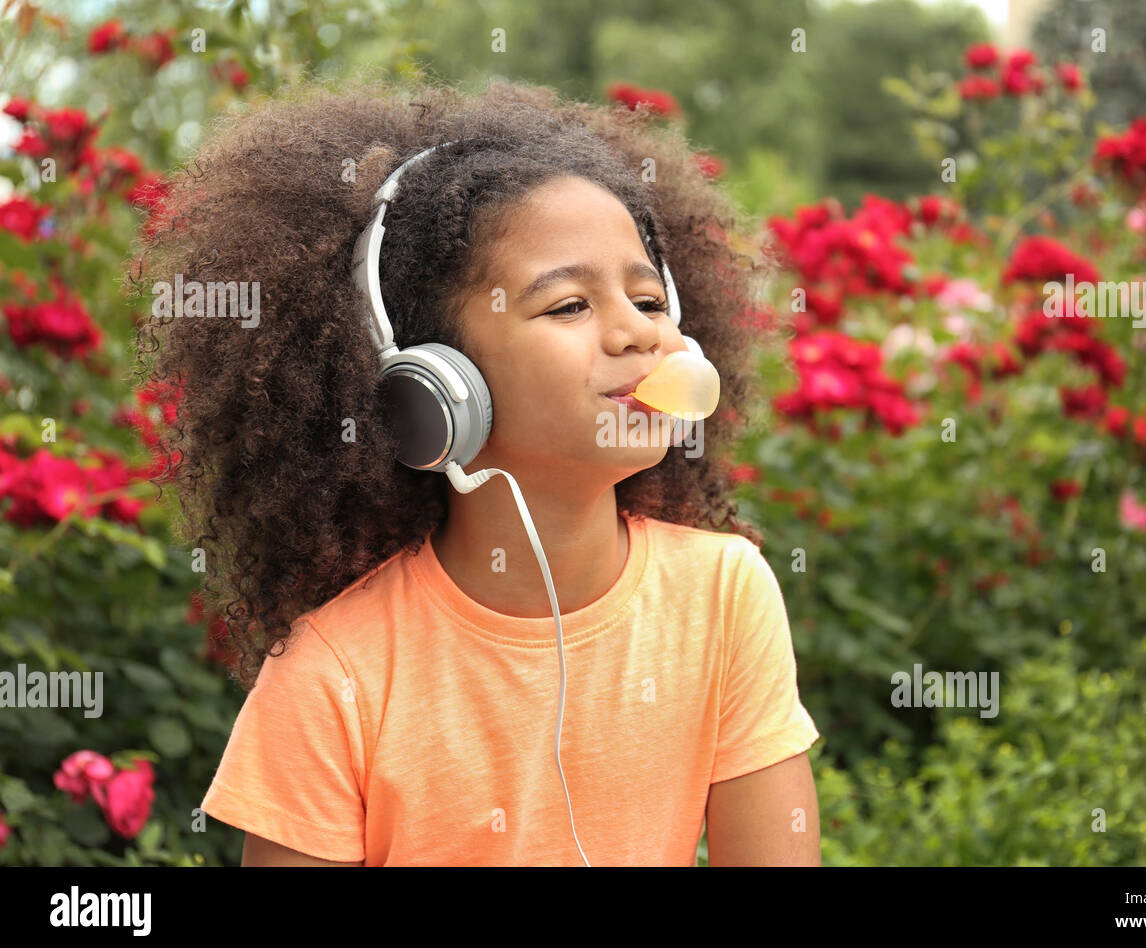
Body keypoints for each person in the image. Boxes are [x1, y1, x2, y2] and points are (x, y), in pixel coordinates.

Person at [134, 74, 821, 866]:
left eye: (649, 300)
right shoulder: (336, 675)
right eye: (569, 306)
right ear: (432, 386)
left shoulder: (724, 596)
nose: (638, 334)